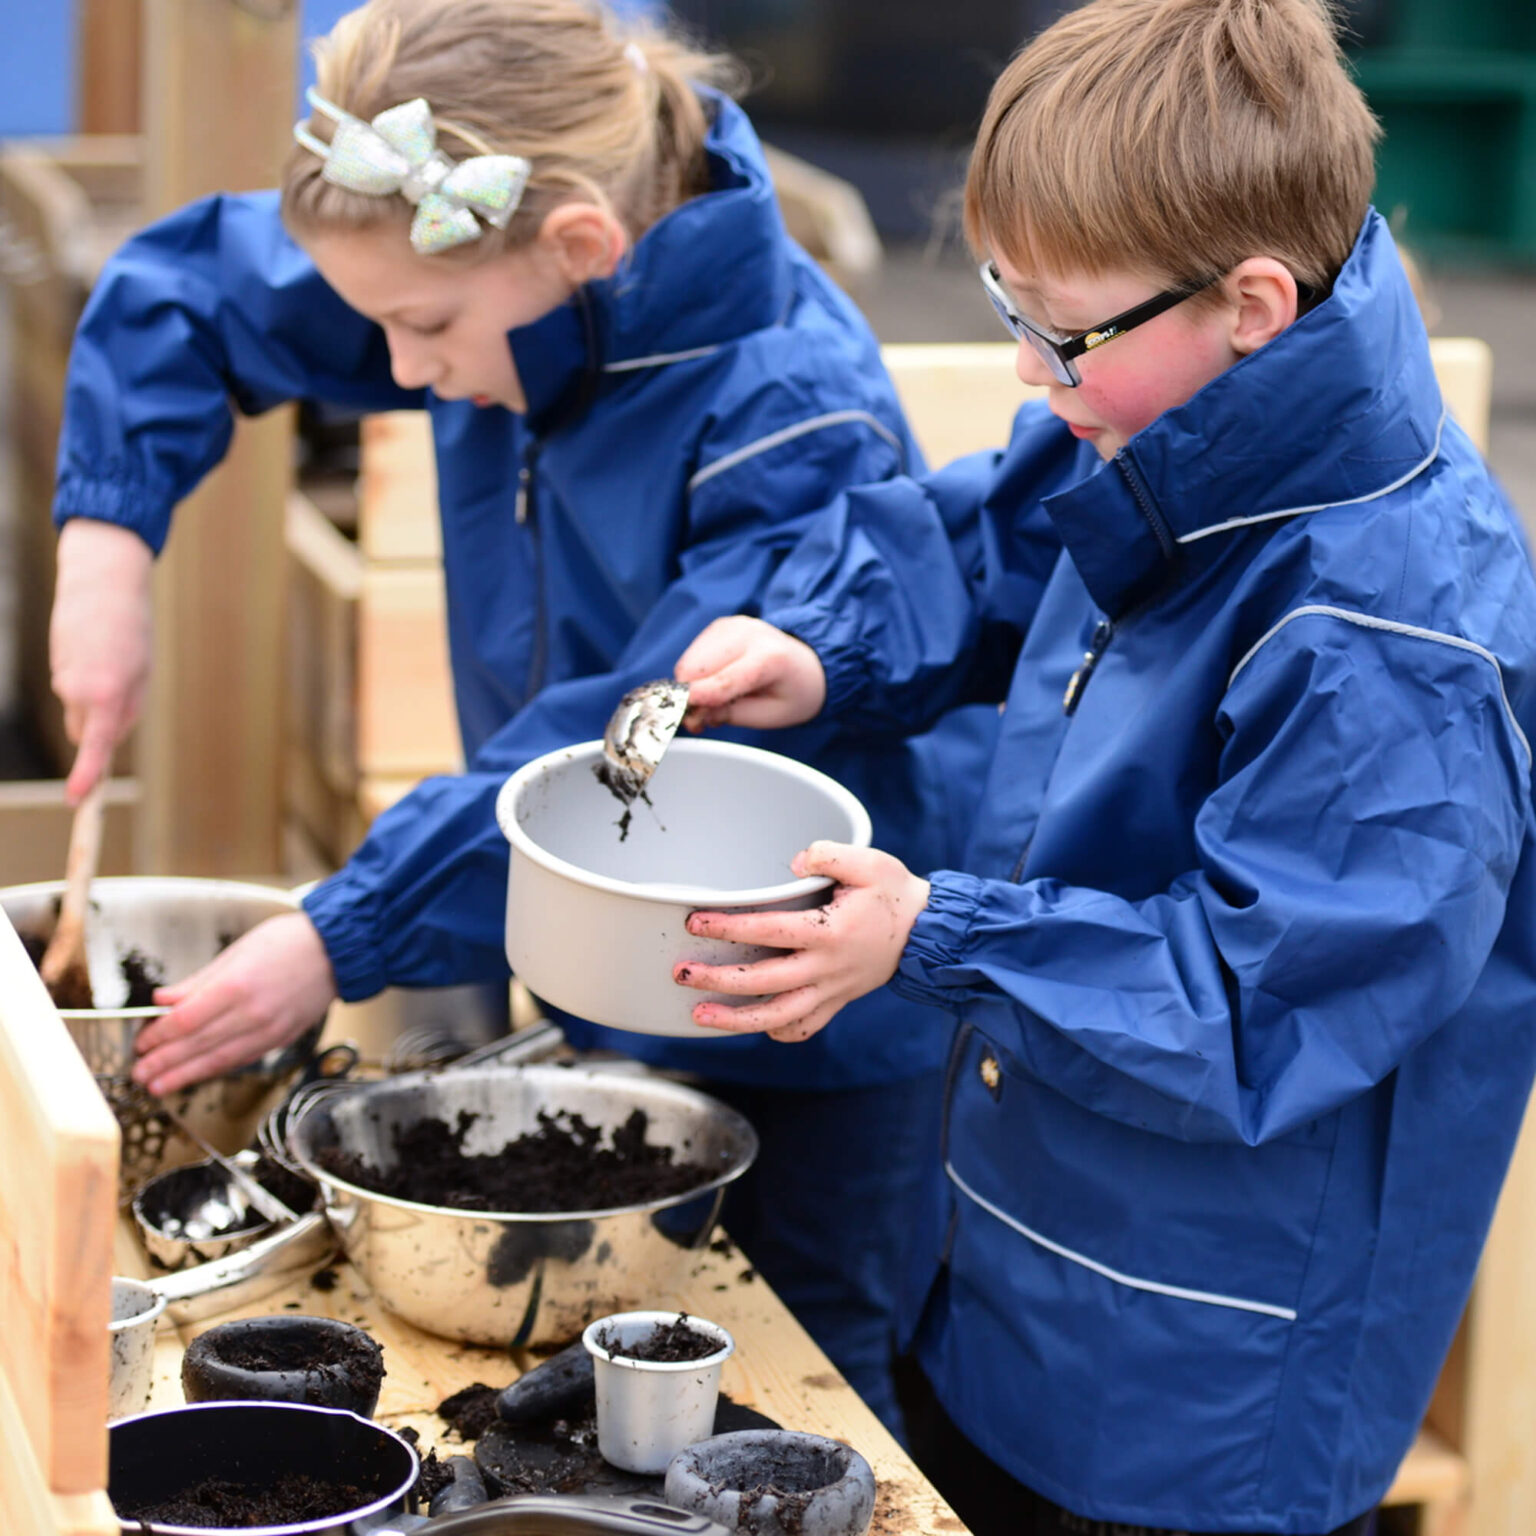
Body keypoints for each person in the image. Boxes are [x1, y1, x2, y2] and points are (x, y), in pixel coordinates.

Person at [47, 0, 997, 1435]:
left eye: (421, 332)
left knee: (799, 1393)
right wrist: (105, 554)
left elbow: (616, 764)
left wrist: (346, 929)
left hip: (817, 1032)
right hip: (597, 972)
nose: (397, 370)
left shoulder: (793, 420)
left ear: (581, 249)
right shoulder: (481, 277)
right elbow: (190, 291)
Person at [667, 0, 1536, 1531]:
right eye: (1006, 304)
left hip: (1203, 1398)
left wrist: (934, 936)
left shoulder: (1390, 639)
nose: (1025, 368)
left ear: (1252, 303)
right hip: (1008, 1273)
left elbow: (1263, 1006)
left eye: (1056, 329)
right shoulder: (1168, 423)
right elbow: (998, 545)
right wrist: (828, 649)